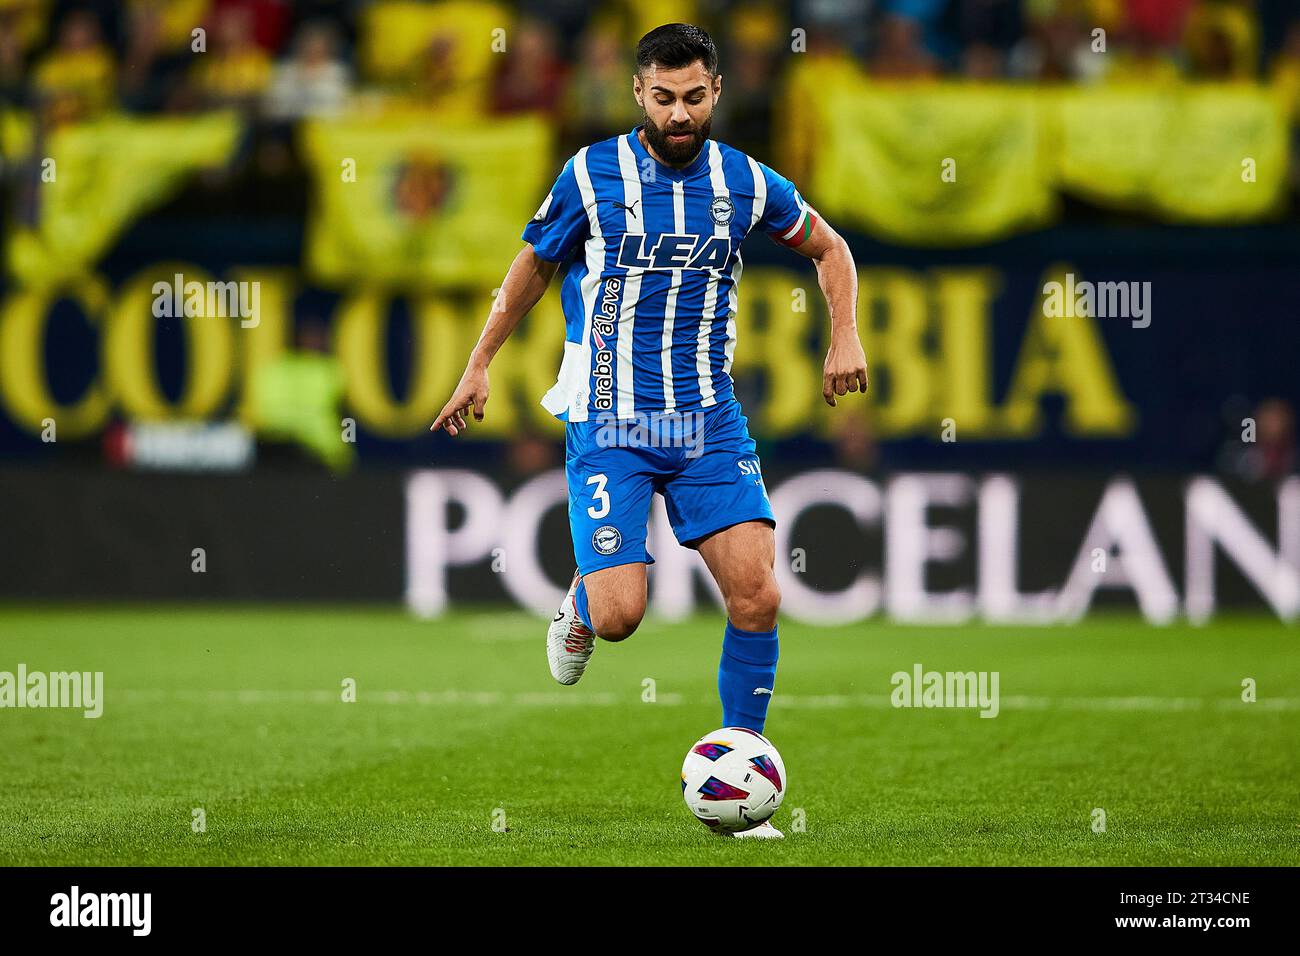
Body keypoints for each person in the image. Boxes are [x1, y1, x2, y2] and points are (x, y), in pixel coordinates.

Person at [430, 23, 867, 837]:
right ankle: (585, 602)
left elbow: (830, 247)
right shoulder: (590, 175)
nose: (679, 114)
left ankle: (743, 768)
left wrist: (845, 333)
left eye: (693, 98)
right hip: (610, 420)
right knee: (622, 614)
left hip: (709, 421)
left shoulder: (746, 181)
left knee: (759, 594)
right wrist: (479, 361)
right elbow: (533, 263)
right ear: (638, 93)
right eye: (663, 98)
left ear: (716, 93)